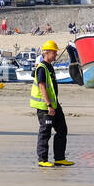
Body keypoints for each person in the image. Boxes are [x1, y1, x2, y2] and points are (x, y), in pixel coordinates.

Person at [31, 39, 73, 167]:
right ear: (47, 52)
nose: (55, 55)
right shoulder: (42, 68)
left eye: (55, 52)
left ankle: (59, 158)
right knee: (45, 132)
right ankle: (43, 159)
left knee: (62, 129)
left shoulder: (50, 66)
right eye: (53, 52)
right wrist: (49, 105)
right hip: (45, 107)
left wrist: (54, 104)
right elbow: (42, 87)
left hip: (54, 105)